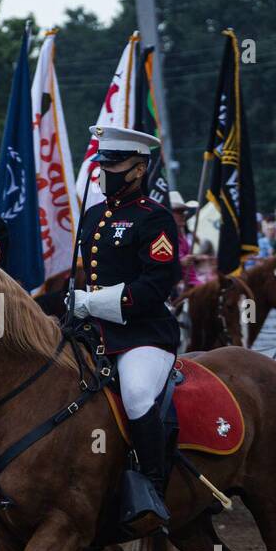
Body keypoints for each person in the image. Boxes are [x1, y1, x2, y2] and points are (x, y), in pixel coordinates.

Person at [67, 125, 180, 530]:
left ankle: (151, 486)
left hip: (143, 334)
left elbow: (155, 286)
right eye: (102, 163)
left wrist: (93, 302)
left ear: (137, 169)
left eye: (113, 165)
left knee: (134, 396)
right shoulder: (95, 215)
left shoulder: (156, 218)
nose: (103, 172)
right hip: (93, 333)